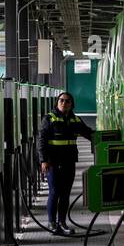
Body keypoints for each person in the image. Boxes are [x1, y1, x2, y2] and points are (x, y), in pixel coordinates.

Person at [38, 91, 94, 235]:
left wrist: (106, 138)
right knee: (55, 192)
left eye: (67, 101)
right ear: (57, 102)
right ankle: (51, 223)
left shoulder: (75, 120)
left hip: (69, 162)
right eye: (61, 100)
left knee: (65, 194)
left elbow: (89, 134)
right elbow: (42, 141)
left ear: (71, 104)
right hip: (53, 162)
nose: (64, 103)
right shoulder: (49, 119)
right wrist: (43, 160)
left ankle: (62, 223)